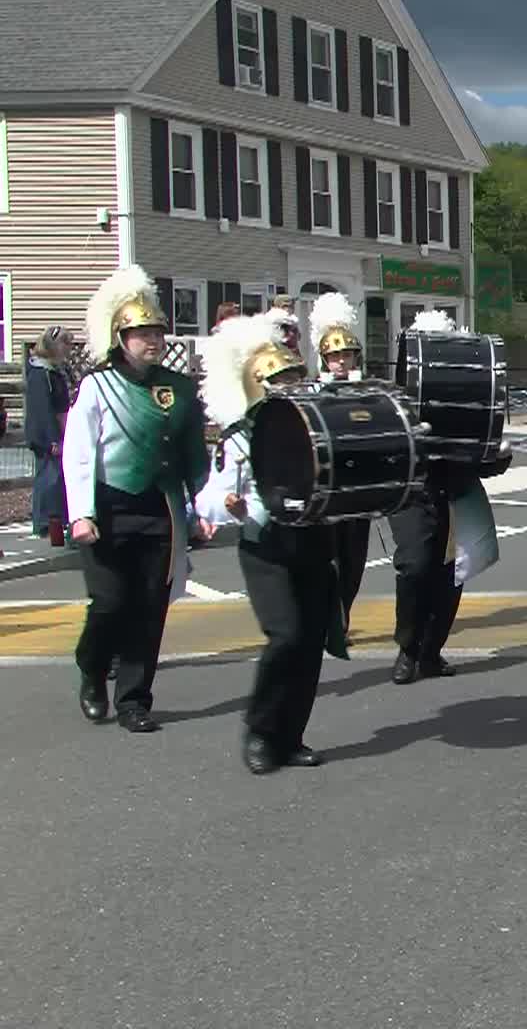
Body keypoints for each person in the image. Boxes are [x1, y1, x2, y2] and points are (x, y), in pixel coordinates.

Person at [63, 265, 215, 731]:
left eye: (156, 331)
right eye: (140, 332)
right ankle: (92, 667)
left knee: (151, 605)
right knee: (109, 602)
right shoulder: (97, 386)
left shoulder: (179, 388)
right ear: (120, 337)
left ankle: (133, 700)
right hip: (109, 508)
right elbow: (80, 452)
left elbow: (194, 455)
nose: (151, 339)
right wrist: (81, 514)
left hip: (160, 509)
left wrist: (200, 509)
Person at [197, 314, 339, 773]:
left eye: (296, 379)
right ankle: (261, 731)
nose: (293, 388)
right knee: (287, 635)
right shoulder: (241, 438)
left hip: (314, 541)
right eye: (280, 382)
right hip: (267, 548)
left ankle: (291, 735)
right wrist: (234, 507)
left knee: (311, 640)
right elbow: (210, 498)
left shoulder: (319, 432)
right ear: (259, 386)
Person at [387, 310, 500, 684]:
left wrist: (495, 455)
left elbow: (484, 449)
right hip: (415, 491)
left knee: (452, 573)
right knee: (415, 566)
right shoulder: (399, 394)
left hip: (456, 489)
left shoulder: (468, 391)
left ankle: (431, 651)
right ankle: (407, 648)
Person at [306, 293, 373, 636]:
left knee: (354, 559)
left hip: (357, 489)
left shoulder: (365, 391)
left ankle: (343, 610)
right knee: (327, 558)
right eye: (335, 357)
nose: (342, 363)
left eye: (346, 355)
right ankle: (329, 617)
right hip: (327, 489)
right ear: (325, 360)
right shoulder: (313, 391)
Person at [25, 325, 73, 540]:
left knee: (58, 478)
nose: (68, 349)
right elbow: (42, 409)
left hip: (60, 430)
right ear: (53, 346)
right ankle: (43, 522)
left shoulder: (57, 371)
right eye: (65, 343)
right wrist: (52, 438)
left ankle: (57, 519)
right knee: (48, 477)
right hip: (45, 434)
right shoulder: (40, 373)